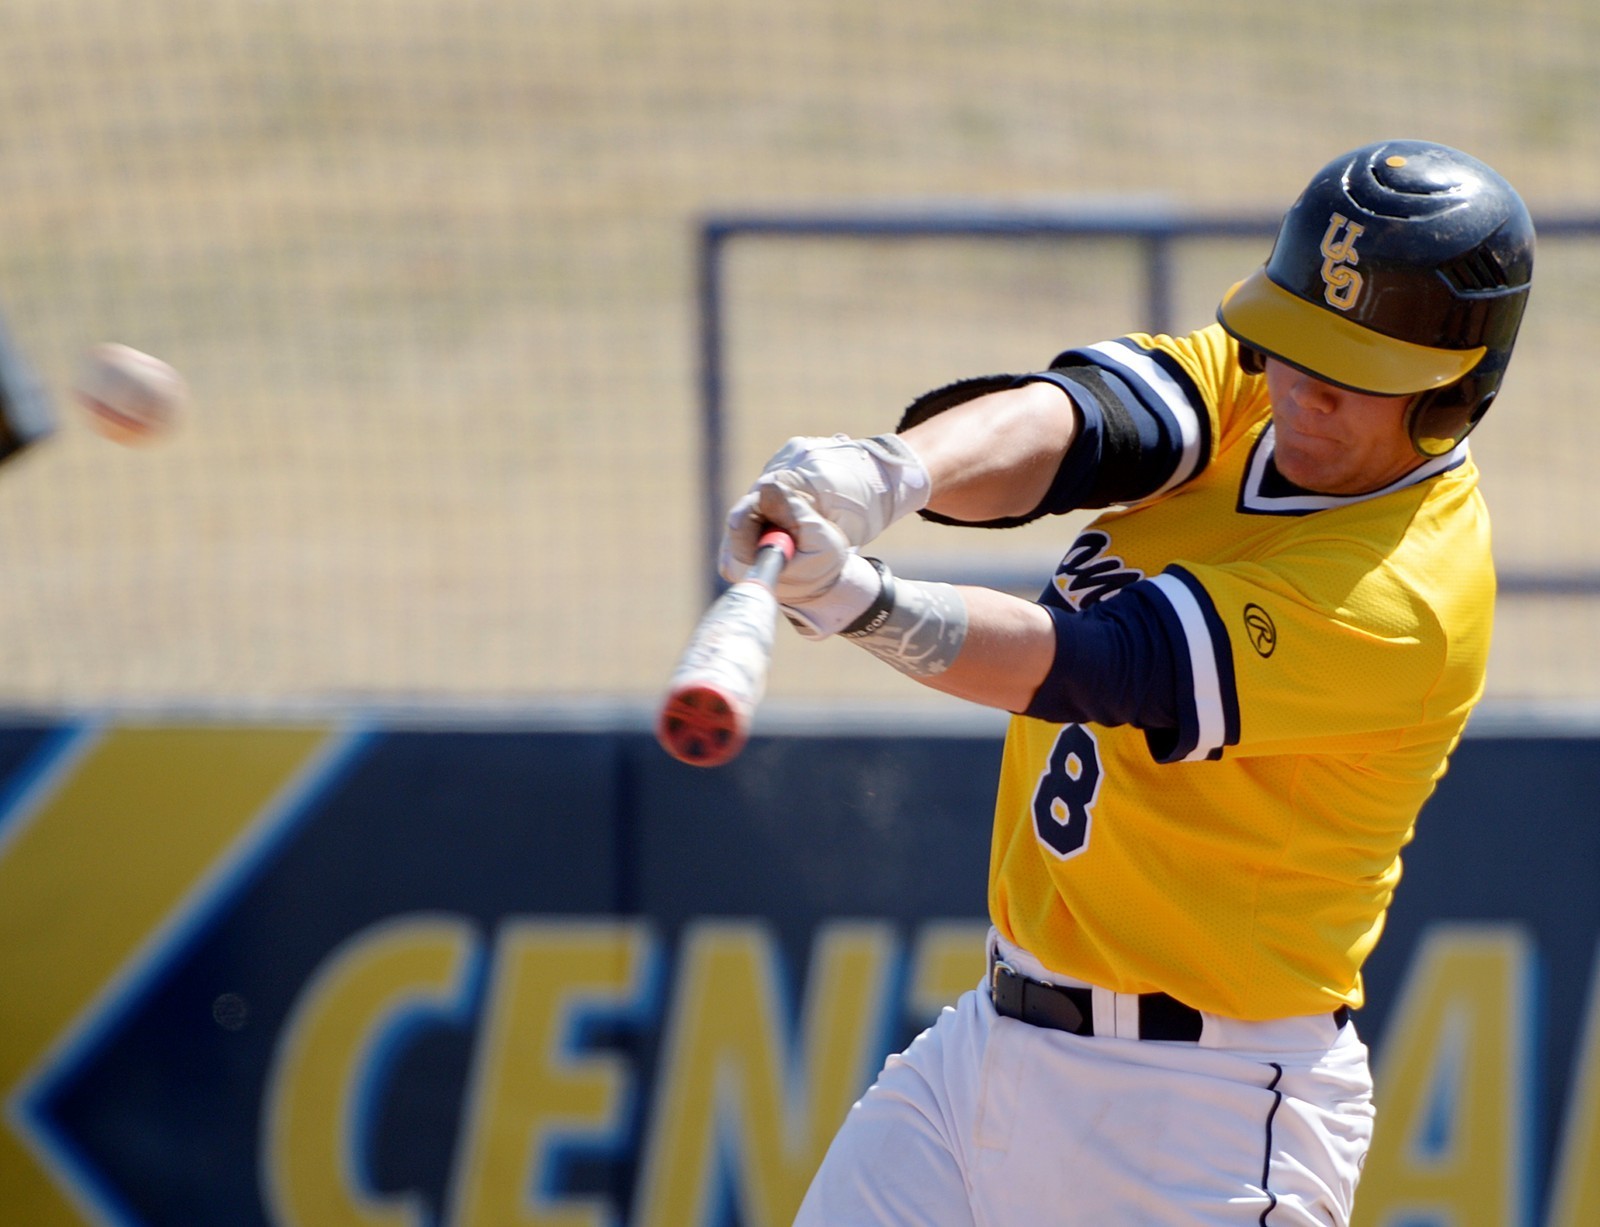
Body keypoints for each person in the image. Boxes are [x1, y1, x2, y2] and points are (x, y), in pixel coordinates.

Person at [719, 139, 1534, 1226]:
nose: (1300, 386)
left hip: (1202, 1115)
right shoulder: (1260, 387)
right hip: (985, 1050)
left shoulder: (1407, 597)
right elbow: (1079, 425)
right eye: (1295, 341)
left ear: (1452, 393)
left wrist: (860, 600)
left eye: (1353, 375)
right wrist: (888, 473)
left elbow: (1098, 664)